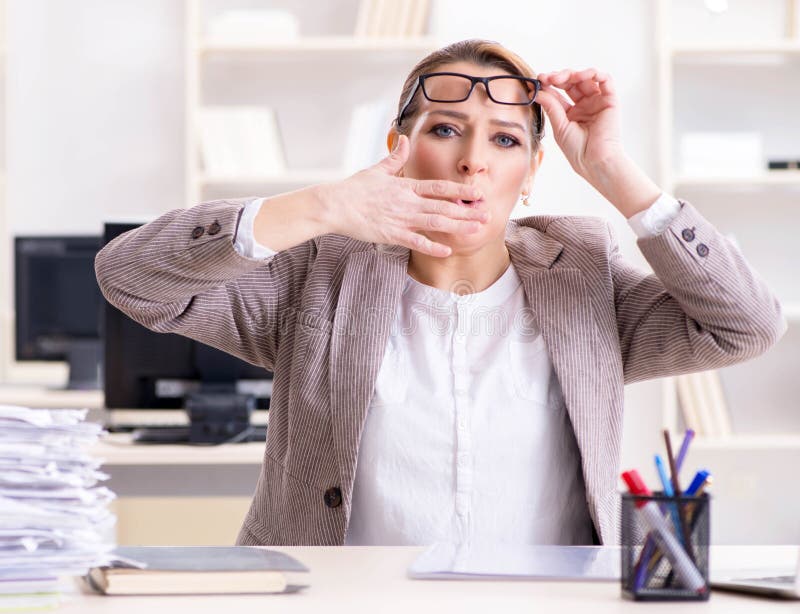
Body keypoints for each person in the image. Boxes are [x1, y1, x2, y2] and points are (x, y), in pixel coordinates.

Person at [95, 39, 785, 546]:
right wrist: (320, 207)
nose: (472, 161)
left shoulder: (582, 277)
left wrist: (612, 169)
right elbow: (129, 277)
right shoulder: (317, 276)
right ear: (399, 147)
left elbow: (747, 325)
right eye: (446, 129)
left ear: (533, 171)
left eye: (506, 139)